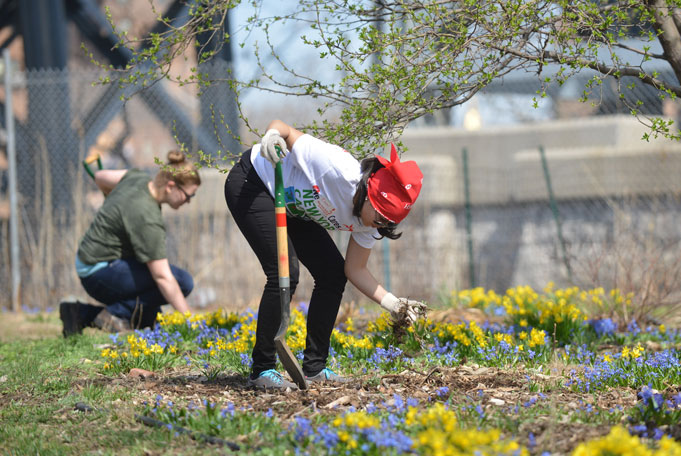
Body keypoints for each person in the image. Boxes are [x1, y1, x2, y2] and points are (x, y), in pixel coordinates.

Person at [225, 120, 426, 390]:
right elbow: (284, 129)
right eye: (380, 217)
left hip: (294, 207)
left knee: (332, 274)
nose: (381, 225)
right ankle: (262, 369)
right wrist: (272, 136)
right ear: (368, 195)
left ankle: (314, 367)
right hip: (254, 182)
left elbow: (354, 270)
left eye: (389, 222)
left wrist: (394, 304)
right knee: (284, 272)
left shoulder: (372, 224)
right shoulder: (335, 169)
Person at [59, 150, 200, 337]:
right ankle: (91, 314)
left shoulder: (137, 178)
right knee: (183, 282)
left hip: (89, 260)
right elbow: (163, 277)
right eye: (188, 195)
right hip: (99, 273)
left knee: (148, 319)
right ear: (171, 186)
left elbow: (100, 176)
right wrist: (190, 322)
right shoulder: (147, 217)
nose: (189, 201)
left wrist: (112, 196)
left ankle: (81, 314)